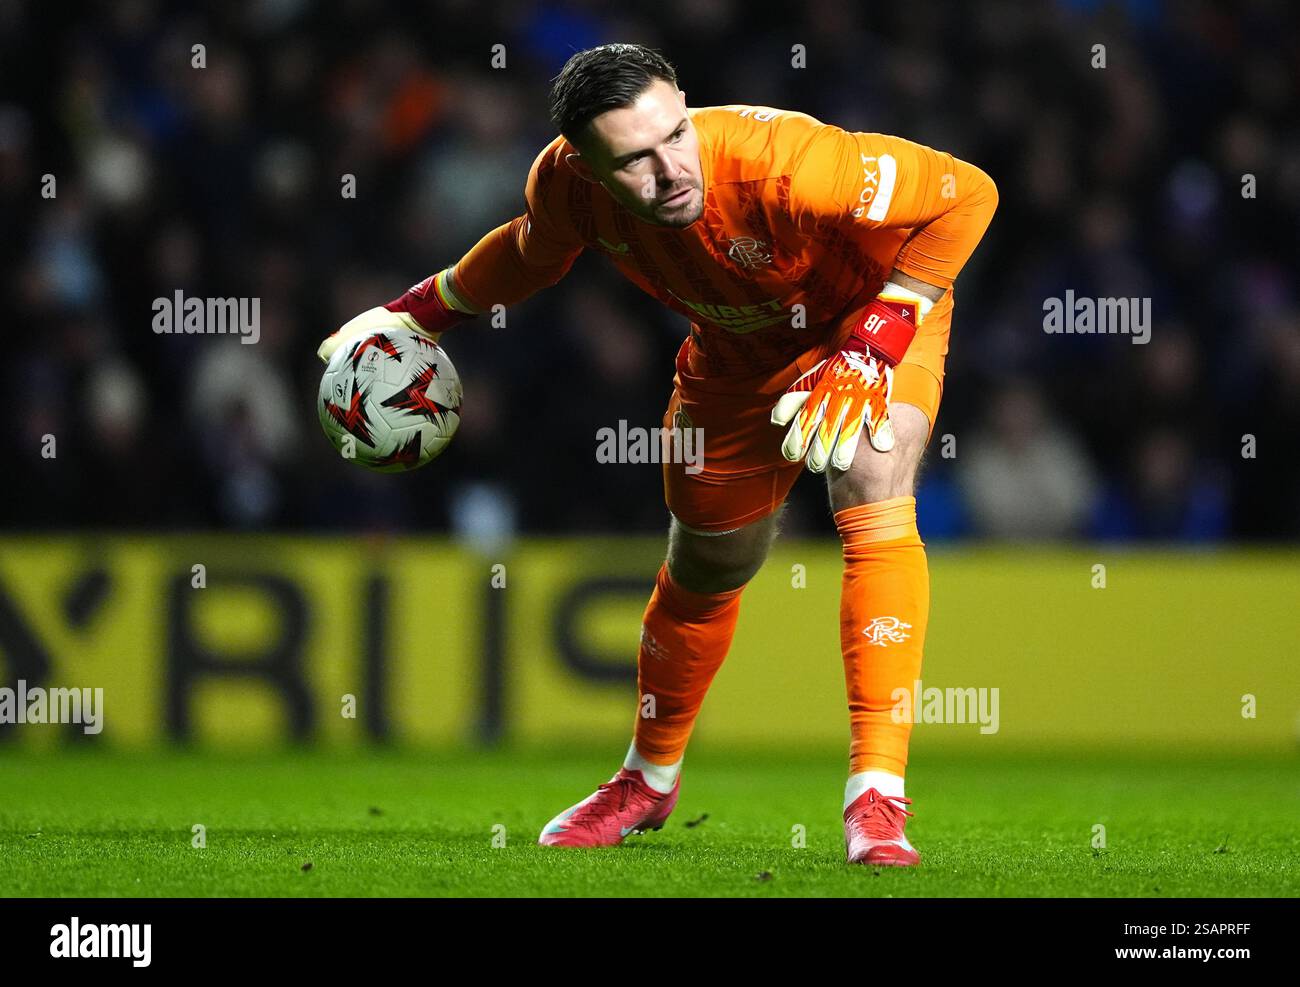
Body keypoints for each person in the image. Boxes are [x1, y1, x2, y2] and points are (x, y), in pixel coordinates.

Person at [318, 43, 997, 866]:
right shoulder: (566, 188)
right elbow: (529, 253)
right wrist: (413, 315)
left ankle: (877, 798)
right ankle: (648, 777)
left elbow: (969, 194)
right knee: (709, 564)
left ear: (684, 101)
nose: (672, 170)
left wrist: (878, 340)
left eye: (675, 135)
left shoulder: (793, 165)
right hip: (734, 353)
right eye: (635, 160)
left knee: (870, 469)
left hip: (875, 313)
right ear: (586, 165)